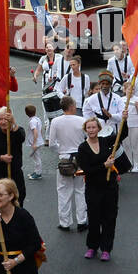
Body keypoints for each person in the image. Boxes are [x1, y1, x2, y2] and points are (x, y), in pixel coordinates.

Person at [76, 117, 121, 260]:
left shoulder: (105, 142)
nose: (91, 130)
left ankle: (106, 249)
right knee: (94, 217)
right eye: (88, 128)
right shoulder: (82, 148)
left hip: (110, 186)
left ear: (99, 129)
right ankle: (92, 247)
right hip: (93, 187)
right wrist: (104, 166)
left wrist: (125, 116)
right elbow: (87, 169)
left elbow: (121, 135)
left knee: (109, 217)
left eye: (93, 127)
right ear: (85, 129)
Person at [47, 96, 87, 231]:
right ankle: (82, 221)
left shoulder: (55, 122)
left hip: (64, 160)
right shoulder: (82, 120)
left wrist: (62, 151)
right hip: (80, 159)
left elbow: (52, 144)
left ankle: (65, 222)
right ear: (71, 106)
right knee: (80, 190)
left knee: (63, 191)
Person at [0, 107, 26, 205]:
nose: (2, 122)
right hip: (0, 175)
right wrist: (1, 158)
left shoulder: (17, 131)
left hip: (15, 174)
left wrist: (13, 123)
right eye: (0, 119)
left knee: (19, 198)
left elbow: (21, 137)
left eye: (5, 119)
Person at [24, 104, 45, 181]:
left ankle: (38, 173)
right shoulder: (37, 119)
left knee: (37, 158)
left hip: (35, 143)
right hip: (39, 141)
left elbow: (35, 131)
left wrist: (34, 143)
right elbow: (40, 130)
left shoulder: (32, 122)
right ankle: (36, 171)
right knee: (35, 157)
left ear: (26, 113)